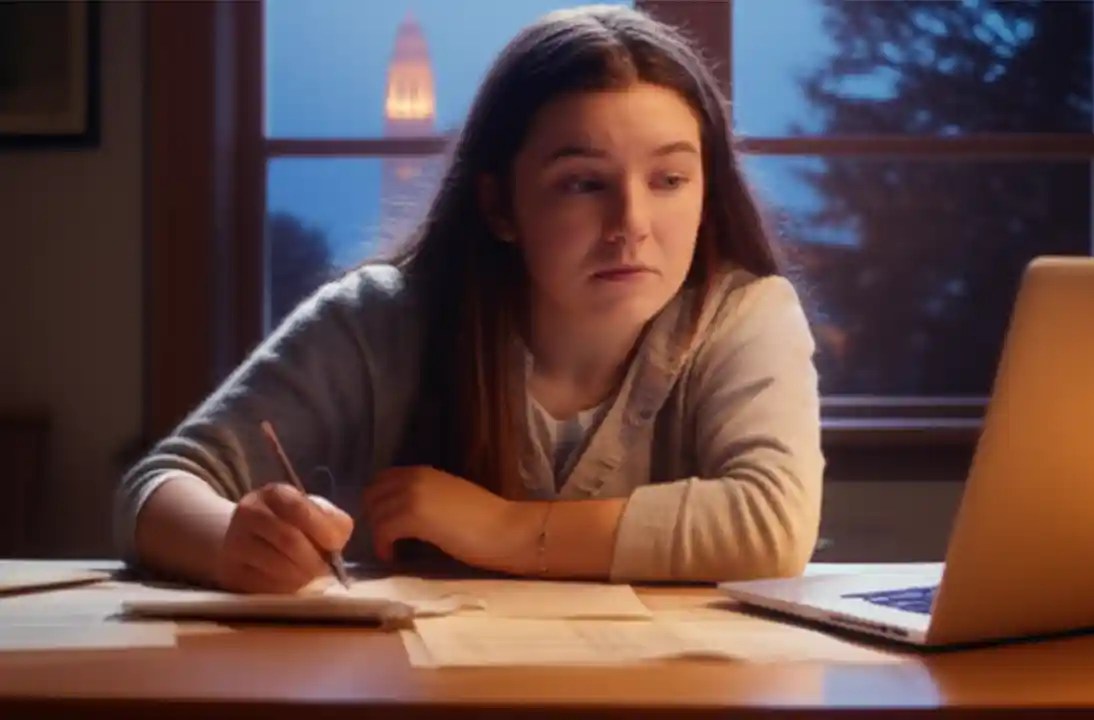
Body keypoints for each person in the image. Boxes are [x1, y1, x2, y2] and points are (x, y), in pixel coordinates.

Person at [114, 4, 824, 594]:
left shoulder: (745, 314)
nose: (633, 225)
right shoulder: (382, 320)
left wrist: (500, 529)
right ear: (498, 205)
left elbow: (770, 523)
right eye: (583, 182)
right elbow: (158, 487)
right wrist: (231, 543)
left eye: (670, 180)